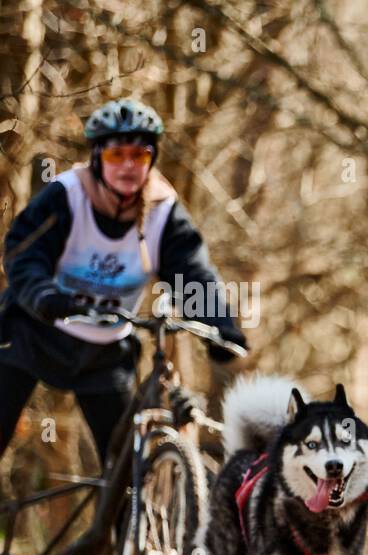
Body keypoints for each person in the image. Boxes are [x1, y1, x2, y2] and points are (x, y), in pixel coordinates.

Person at [0, 97, 247, 467]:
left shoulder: (163, 211)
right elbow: (23, 252)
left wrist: (221, 326)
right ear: (98, 157)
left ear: (152, 160)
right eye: (117, 155)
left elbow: (191, 273)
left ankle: (120, 524)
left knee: (126, 474)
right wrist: (44, 295)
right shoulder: (67, 195)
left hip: (105, 355)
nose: (129, 166)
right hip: (33, 336)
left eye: (140, 155)